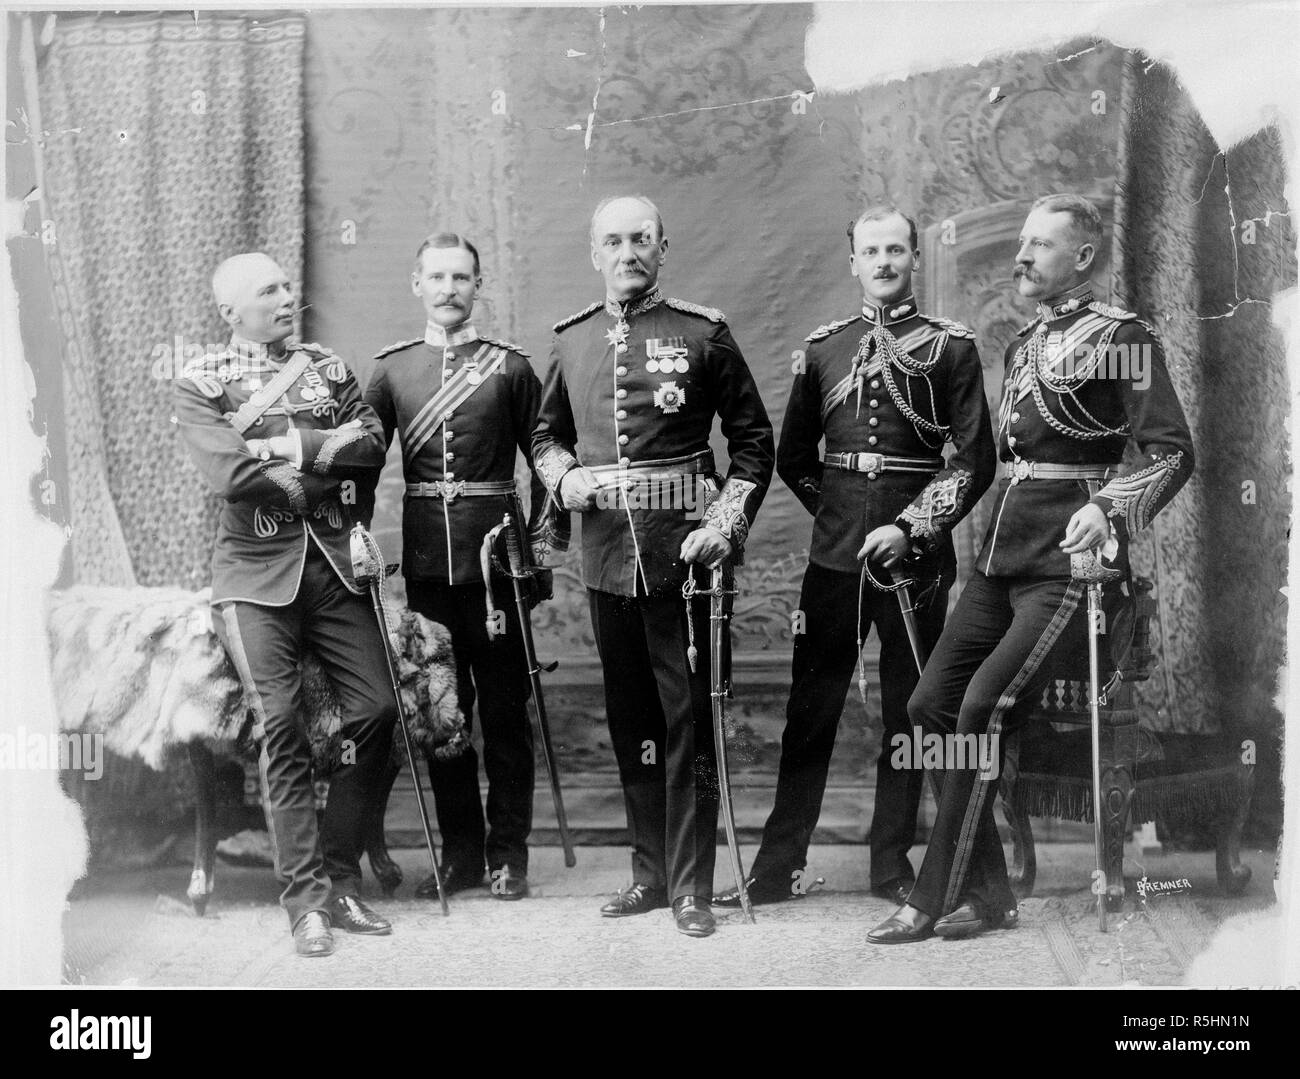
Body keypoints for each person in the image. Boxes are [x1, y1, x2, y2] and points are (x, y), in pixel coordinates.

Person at [867, 193, 1195, 943]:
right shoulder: (1022, 344)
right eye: (1021, 242)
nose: (1021, 256)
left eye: (1040, 245)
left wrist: (1110, 509)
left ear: (1081, 256)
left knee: (980, 711)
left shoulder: (1124, 338)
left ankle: (931, 894)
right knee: (929, 708)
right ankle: (989, 891)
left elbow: (1173, 451)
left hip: (1070, 568)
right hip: (1000, 556)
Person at [714, 206, 995, 910]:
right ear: (853, 263)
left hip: (918, 565)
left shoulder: (950, 348)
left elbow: (972, 461)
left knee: (909, 715)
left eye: (896, 249)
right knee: (811, 713)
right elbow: (793, 458)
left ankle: (890, 864)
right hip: (835, 565)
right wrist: (843, 521)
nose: (884, 262)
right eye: (871, 251)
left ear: (915, 259)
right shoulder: (822, 349)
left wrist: (911, 527)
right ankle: (777, 867)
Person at [532, 195, 774, 937]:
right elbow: (546, 436)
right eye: (614, 240)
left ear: (663, 247)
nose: (628, 250)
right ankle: (650, 873)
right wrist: (562, 475)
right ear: (594, 252)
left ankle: (693, 885)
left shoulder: (704, 333)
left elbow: (755, 445)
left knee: (687, 723)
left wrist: (723, 527)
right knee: (631, 718)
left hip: (686, 560)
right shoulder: (571, 340)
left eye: (642, 238)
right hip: (607, 561)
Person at [173, 252, 396, 957]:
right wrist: (318, 464)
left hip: (332, 563)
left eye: (286, 284)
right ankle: (304, 901)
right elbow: (231, 473)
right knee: (283, 721)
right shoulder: (201, 380)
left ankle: (335, 873)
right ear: (231, 311)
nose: (286, 295)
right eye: (268, 290)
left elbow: (372, 443)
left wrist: (288, 446)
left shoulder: (327, 367)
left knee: (378, 708)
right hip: (253, 575)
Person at [364, 232, 548, 901]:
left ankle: (509, 855)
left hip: (498, 569)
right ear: (417, 283)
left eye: (461, 278)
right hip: (425, 572)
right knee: (444, 714)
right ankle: (462, 854)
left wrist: (539, 551)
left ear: (478, 285)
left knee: (504, 713)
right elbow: (359, 467)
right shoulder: (392, 371)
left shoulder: (510, 369)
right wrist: (353, 534)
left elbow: (549, 457)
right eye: (437, 277)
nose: (449, 289)